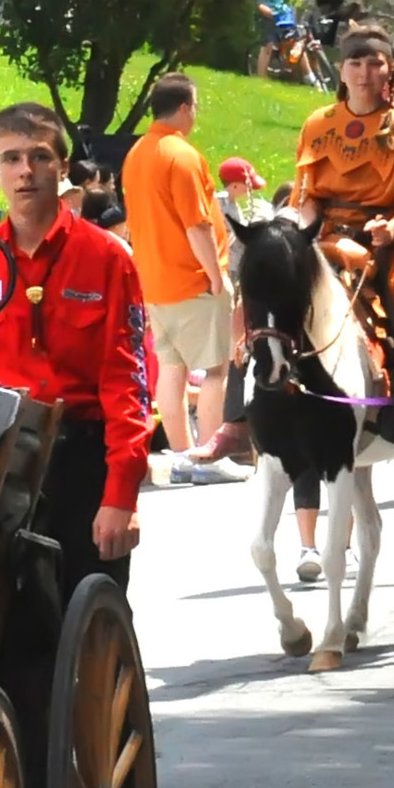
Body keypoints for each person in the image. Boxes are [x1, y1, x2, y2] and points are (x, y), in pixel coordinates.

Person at [0, 103, 150, 598]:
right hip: (2, 465)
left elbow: (128, 381)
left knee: (91, 620)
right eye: (11, 158)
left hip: (84, 460)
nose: (25, 171)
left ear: (62, 168)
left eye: (39, 157)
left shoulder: (106, 257)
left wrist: (121, 495)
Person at [288, 25, 394, 380]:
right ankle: (235, 424)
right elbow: (306, 195)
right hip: (325, 238)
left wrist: (390, 229)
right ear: (342, 69)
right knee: (250, 312)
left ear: (390, 69)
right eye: (356, 63)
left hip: (393, 247)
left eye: (375, 64)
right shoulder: (317, 125)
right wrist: (309, 230)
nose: (365, 73)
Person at [121, 73, 244, 483]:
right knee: (214, 370)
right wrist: (216, 277)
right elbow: (198, 225)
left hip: (154, 280)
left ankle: (182, 456)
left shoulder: (136, 152)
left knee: (171, 370)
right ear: (186, 107)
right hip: (192, 279)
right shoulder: (182, 155)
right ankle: (207, 454)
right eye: (196, 107)